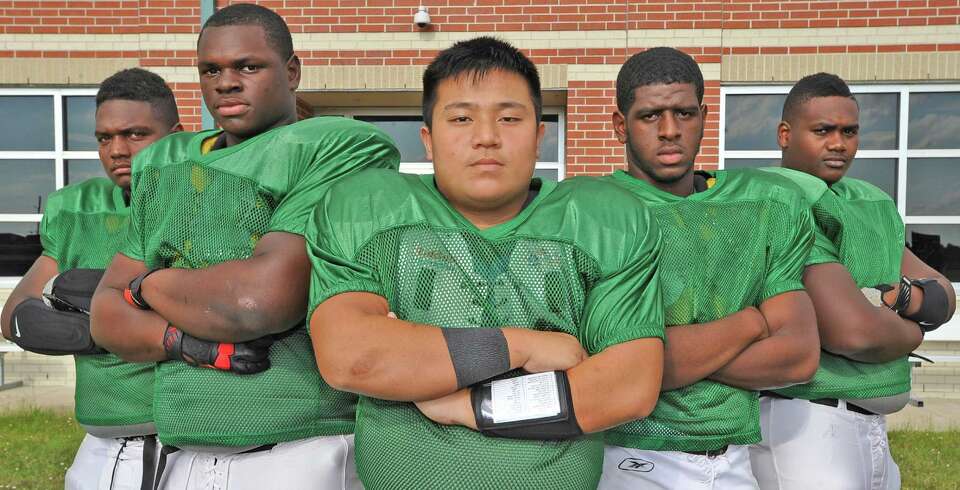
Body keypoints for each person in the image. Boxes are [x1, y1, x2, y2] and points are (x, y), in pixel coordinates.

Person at [307, 36, 665, 490]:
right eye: (461, 118)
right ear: (428, 140)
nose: (486, 137)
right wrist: (524, 348)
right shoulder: (368, 208)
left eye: (509, 118)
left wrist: (464, 402)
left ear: (539, 134)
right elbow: (354, 358)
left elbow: (627, 387)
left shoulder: (603, 220)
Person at [89, 4, 399, 489]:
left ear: (291, 72)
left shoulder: (340, 145)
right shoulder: (169, 158)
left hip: (301, 445)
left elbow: (259, 301)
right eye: (210, 70)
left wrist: (149, 285)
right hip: (182, 447)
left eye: (248, 66)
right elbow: (105, 315)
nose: (226, 82)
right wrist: (184, 342)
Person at [598, 47, 821, 490]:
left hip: (735, 461)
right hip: (629, 457)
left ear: (704, 115)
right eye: (650, 116)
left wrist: (675, 356)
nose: (669, 131)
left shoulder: (761, 205)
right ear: (620, 124)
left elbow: (799, 356)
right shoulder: (596, 213)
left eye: (683, 113)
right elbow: (615, 369)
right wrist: (750, 322)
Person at [749, 72, 955, 490]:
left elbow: (943, 296)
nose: (839, 144)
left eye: (850, 131)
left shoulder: (863, 200)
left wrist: (892, 301)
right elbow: (854, 333)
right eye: (822, 130)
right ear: (785, 134)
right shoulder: (777, 200)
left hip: (868, 424)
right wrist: (915, 328)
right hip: (806, 423)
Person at [0, 67, 181, 490]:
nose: (118, 150)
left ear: (175, 135)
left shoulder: (210, 202)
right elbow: (15, 316)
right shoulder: (78, 210)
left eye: (136, 134)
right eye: (104, 138)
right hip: (100, 442)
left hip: (186, 438)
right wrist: (117, 326)